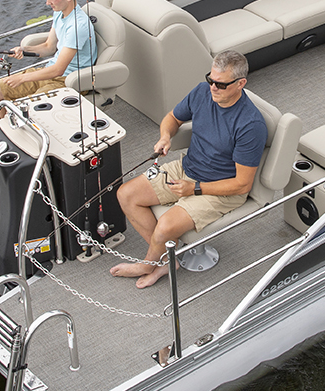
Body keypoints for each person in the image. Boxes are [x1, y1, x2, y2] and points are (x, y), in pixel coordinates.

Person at [111, 50, 267, 289]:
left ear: (240, 84)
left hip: (222, 190)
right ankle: (165, 261)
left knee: (165, 226)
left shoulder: (250, 125)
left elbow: (242, 184)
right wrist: (165, 136)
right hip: (187, 167)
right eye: (211, 80)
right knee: (126, 194)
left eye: (221, 84)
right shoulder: (202, 92)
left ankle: (148, 264)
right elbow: (172, 118)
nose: (213, 88)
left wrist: (194, 188)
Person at [0, 0, 98, 109]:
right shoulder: (59, 13)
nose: (47, 3)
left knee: (27, 108)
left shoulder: (77, 26)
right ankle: (3, 127)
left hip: (68, 81)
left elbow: (58, 70)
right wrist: (23, 50)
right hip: (49, 72)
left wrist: (21, 78)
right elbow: (49, 46)